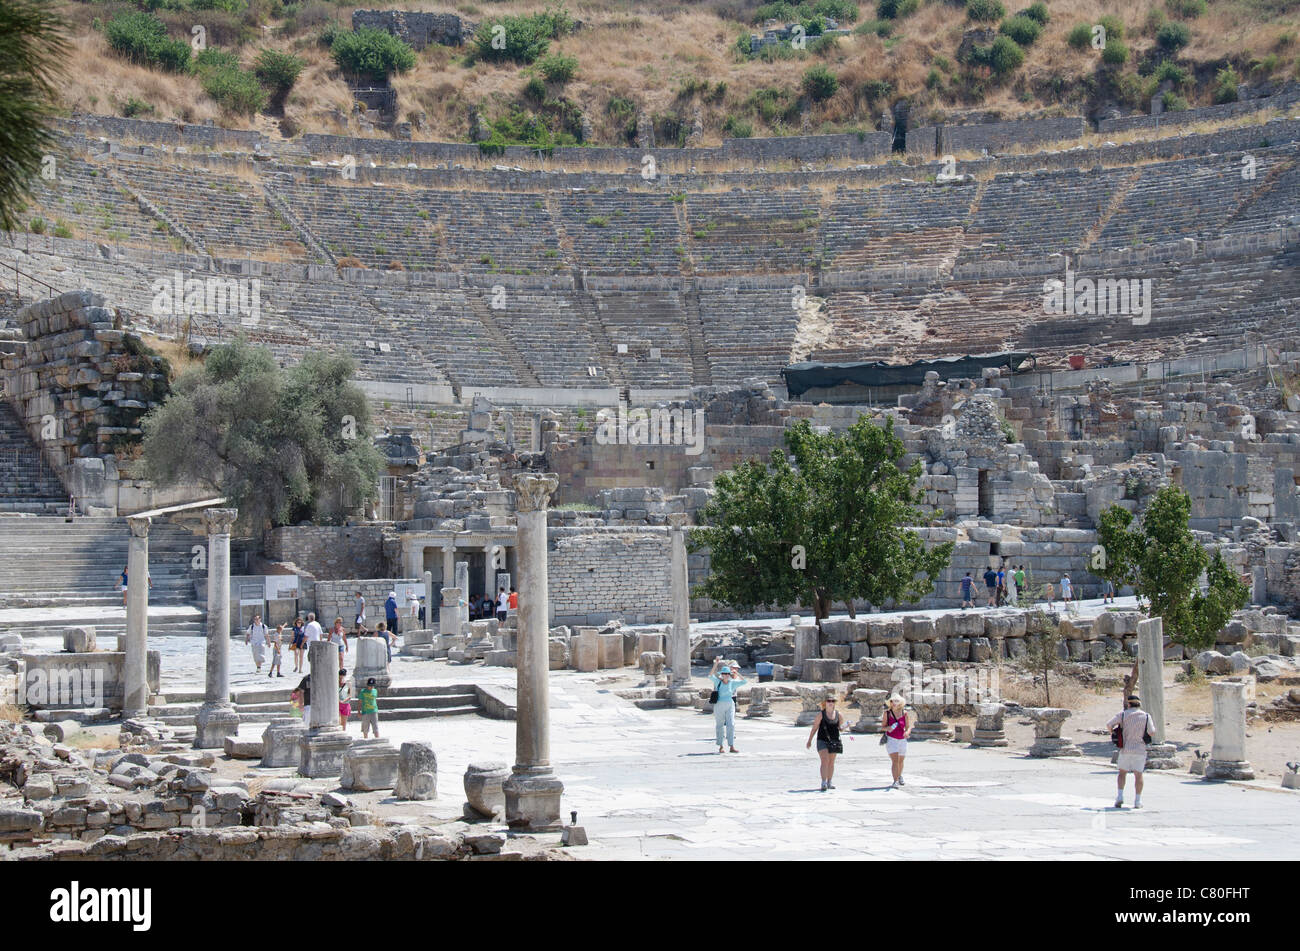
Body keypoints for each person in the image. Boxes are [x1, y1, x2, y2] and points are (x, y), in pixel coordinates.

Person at [1107, 695, 1156, 809]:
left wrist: (1114, 733)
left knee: (1122, 773)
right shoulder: (1146, 716)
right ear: (1139, 704)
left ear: (1128, 704)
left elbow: (1109, 724)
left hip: (1125, 748)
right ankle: (1137, 801)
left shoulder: (1123, 714)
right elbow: (1152, 732)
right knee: (1138, 775)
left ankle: (1120, 796)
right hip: (1140, 749)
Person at [806, 694, 846, 791]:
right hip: (822, 740)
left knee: (831, 762)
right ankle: (823, 782)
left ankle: (829, 782)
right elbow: (814, 728)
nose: (831, 703)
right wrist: (809, 740)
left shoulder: (839, 714)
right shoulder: (821, 715)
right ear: (825, 703)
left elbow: (841, 729)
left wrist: (846, 725)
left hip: (834, 741)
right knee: (824, 760)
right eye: (829, 701)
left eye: (833, 701)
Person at [709, 658, 747, 754]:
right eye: (724, 674)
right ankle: (721, 746)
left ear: (729, 675)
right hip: (719, 705)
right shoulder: (718, 682)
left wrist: (736, 673)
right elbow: (710, 675)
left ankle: (731, 745)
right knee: (720, 725)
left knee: (731, 724)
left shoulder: (732, 683)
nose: (726, 675)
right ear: (721, 674)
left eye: (727, 674)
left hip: (730, 704)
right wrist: (716, 664)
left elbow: (744, 681)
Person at [882, 694, 913, 789]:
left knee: (901, 760)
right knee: (895, 760)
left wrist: (907, 732)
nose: (894, 703)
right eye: (892, 701)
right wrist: (888, 728)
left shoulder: (905, 713)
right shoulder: (887, 713)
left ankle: (899, 776)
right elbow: (883, 727)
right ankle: (895, 780)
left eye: (896, 701)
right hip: (892, 739)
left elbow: (908, 726)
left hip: (902, 739)